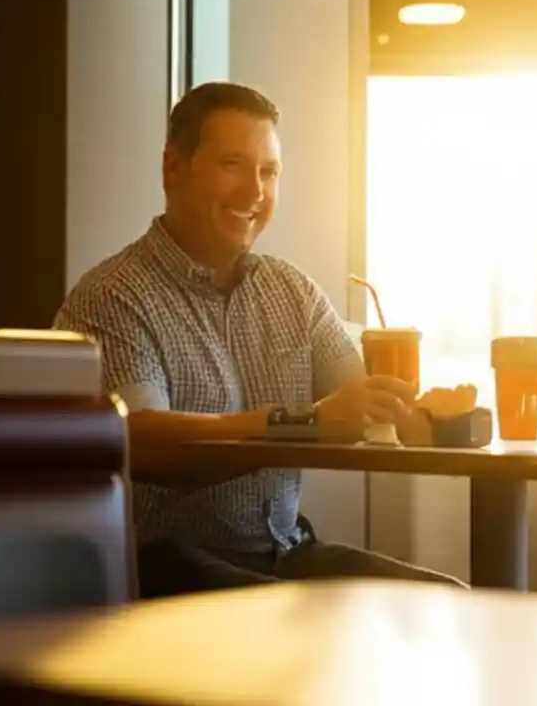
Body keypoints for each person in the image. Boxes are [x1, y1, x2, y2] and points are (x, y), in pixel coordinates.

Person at [54, 82, 465, 598]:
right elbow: (143, 441)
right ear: (173, 168)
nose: (255, 193)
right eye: (232, 164)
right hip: (160, 565)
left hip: (286, 552)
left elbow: (363, 405)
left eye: (268, 172)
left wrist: (423, 415)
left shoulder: (292, 290)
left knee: (448, 602)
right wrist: (304, 424)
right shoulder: (112, 296)